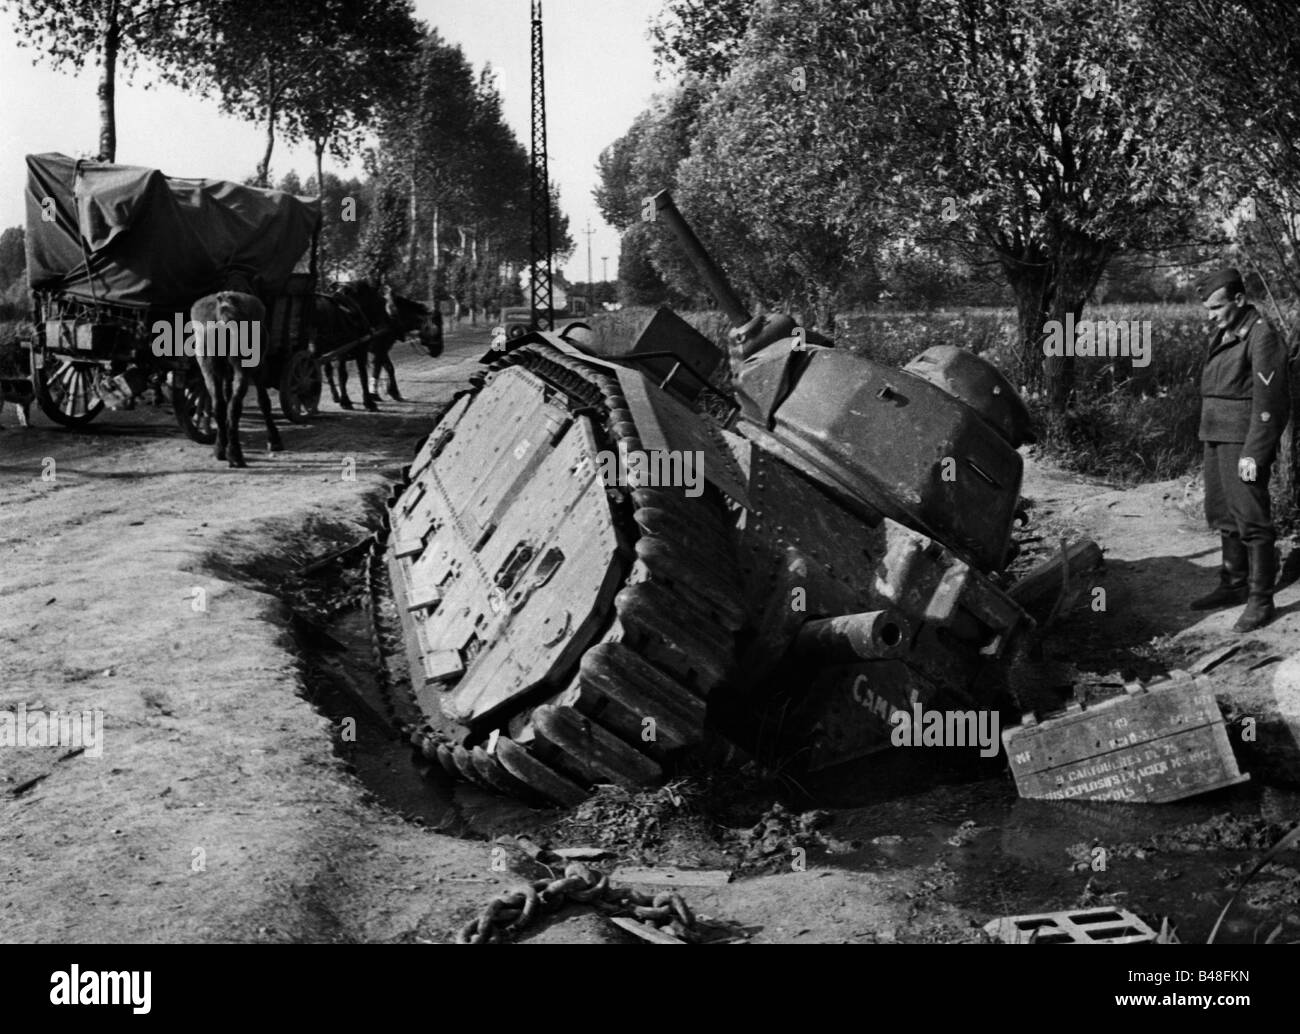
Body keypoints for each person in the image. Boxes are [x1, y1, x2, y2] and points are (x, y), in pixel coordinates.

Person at [1190, 267, 1291, 631]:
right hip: (1215, 435)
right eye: (1208, 309)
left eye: (1217, 307)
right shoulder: (1225, 332)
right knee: (1223, 514)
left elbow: (1271, 402)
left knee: (1252, 519)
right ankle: (1233, 584)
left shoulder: (1261, 336)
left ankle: (1261, 599)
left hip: (1242, 440)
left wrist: (1255, 452)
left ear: (1239, 299)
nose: (1211, 315)